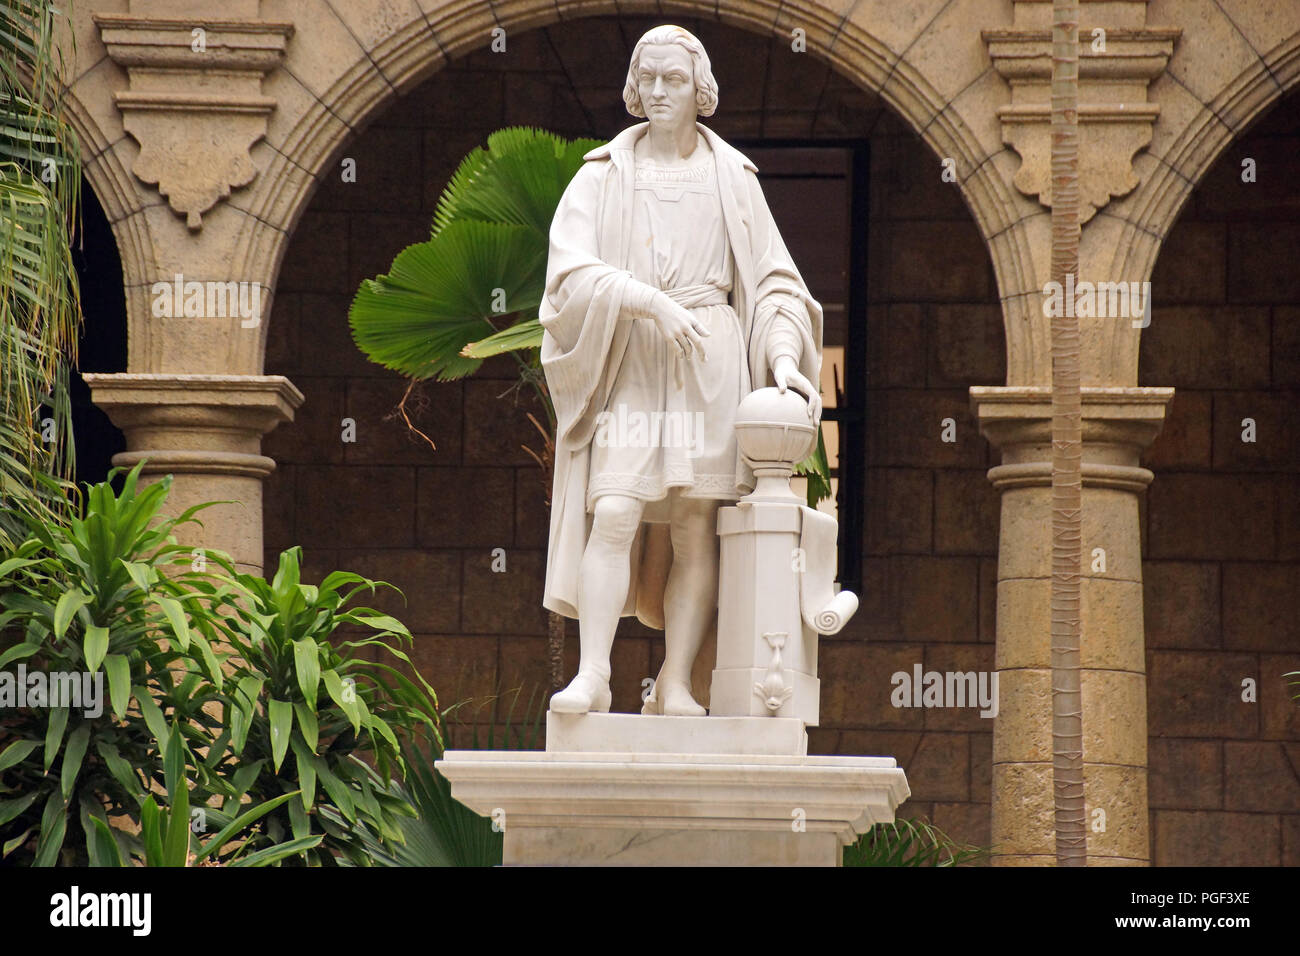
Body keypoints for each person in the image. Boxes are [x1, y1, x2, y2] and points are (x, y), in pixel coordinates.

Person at [541, 24, 823, 715]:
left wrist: (784, 360)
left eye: (675, 80)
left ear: (702, 91)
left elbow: (775, 283)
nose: (661, 92)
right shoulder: (600, 175)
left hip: (711, 358)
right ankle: (596, 674)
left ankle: (675, 682)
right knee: (613, 510)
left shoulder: (733, 177)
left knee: (696, 522)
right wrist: (644, 301)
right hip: (631, 357)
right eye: (650, 79)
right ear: (634, 89)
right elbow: (569, 278)